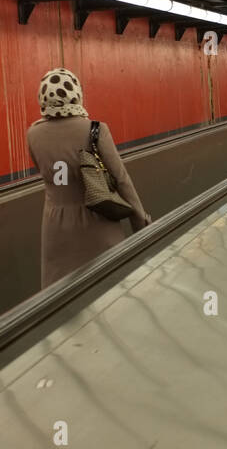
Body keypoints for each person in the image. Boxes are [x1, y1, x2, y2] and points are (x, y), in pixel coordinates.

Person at [26, 68, 150, 289]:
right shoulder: (96, 130)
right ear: (76, 93)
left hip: (56, 227)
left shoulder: (33, 134)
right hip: (97, 219)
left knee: (60, 292)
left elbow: (49, 177)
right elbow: (121, 179)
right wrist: (139, 222)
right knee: (107, 286)